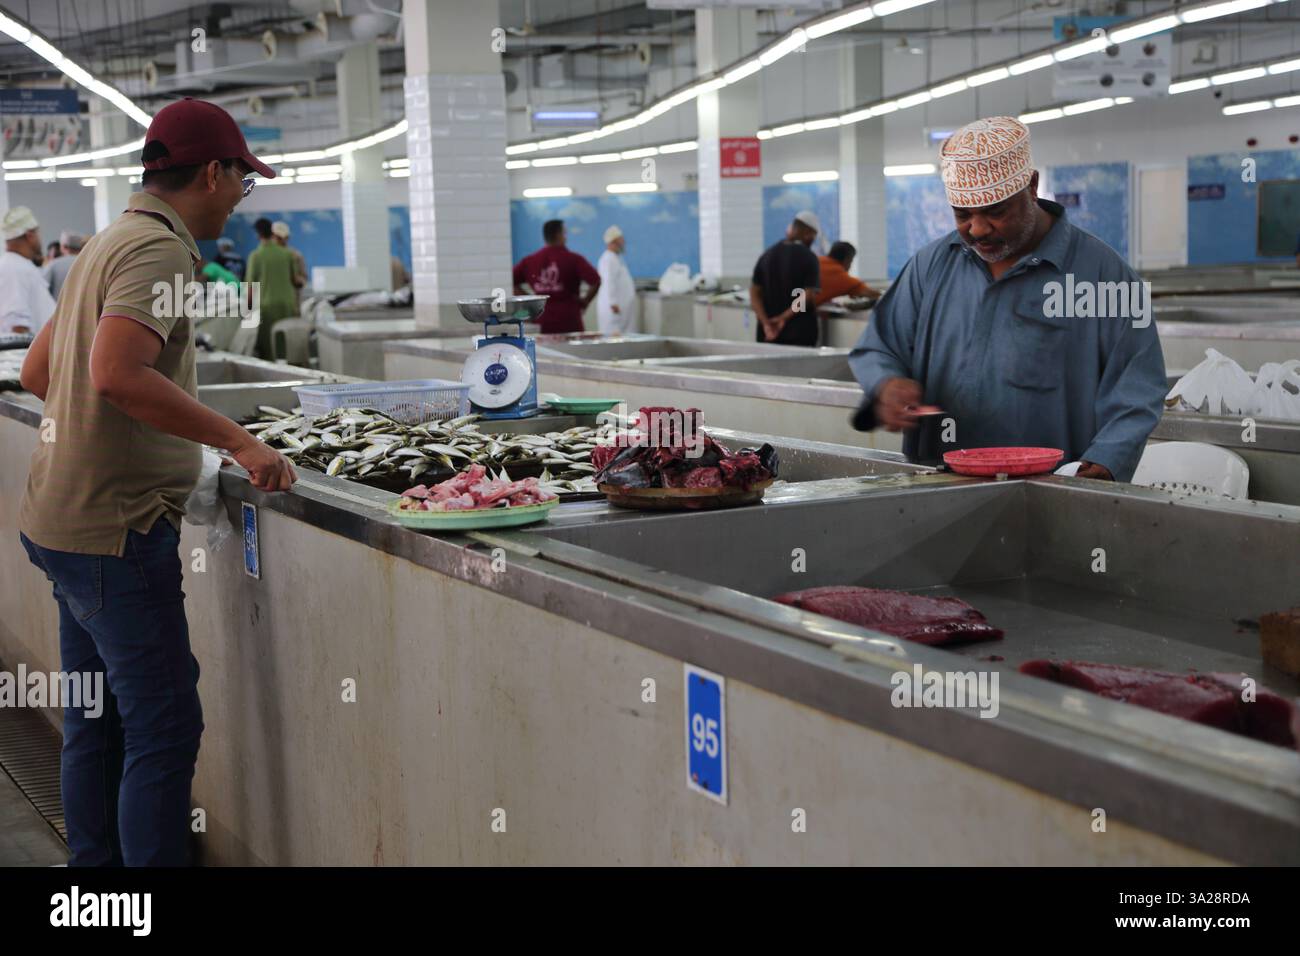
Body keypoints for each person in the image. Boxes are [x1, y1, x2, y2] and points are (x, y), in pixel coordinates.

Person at [17, 97, 296, 867]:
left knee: (95, 722)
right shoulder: (160, 250)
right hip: (117, 532)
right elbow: (115, 373)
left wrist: (113, 435)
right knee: (165, 728)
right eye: (243, 181)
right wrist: (239, 441)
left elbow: (45, 372)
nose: (242, 200)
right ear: (212, 172)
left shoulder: (106, 242)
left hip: (60, 521)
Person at [849, 116, 1166, 482]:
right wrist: (887, 384)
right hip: (938, 483)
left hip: (1049, 490)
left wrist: (1107, 460)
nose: (978, 229)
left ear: (1031, 186)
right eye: (963, 214)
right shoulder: (930, 266)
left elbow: (1138, 386)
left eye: (996, 211)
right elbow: (878, 347)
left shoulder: (1103, 275)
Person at [512, 219, 600, 335]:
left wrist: (530, 302)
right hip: (569, 321)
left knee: (546, 353)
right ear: (559, 235)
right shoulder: (573, 259)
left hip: (542, 320)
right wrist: (585, 302)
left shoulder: (530, 261)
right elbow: (596, 280)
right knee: (571, 353)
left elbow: (511, 280)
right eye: (565, 233)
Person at [750, 210, 822, 346]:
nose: (813, 239)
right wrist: (783, 318)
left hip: (767, 334)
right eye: (814, 235)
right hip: (799, 334)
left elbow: (754, 293)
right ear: (808, 233)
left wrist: (765, 322)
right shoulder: (809, 257)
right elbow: (807, 295)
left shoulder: (766, 255)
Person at [245, 217, 298, 359]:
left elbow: (250, 287)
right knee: (286, 348)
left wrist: (247, 311)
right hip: (287, 306)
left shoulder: (256, 256)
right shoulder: (287, 254)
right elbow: (295, 280)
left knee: (269, 351)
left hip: (267, 308)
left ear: (258, 235)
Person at [0, 206, 57, 336]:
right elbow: (17, 327)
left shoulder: (20, 264)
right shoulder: (13, 268)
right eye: (38, 233)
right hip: (25, 354)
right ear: (30, 236)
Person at [595, 225, 636, 336]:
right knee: (613, 341)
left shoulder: (615, 258)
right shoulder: (608, 259)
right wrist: (613, 303)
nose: (623, 242)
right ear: (614, 241)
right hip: (613, 310)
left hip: (621, 310)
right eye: (621, 239)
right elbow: (608, 282)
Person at [815, 241, 882, 307]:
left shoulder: (816, 260)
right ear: (847, 260)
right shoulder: (842, 278)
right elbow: (874, 294)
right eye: (851, 261)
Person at [271, 220, 307, 308]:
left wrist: (298, 281)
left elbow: (303, 279)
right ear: (271, 236)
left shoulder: (296, 256)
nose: (281, 240)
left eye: (283, 237)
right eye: (277, 237)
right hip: (269, 304)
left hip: (291, 303)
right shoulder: (262, 257)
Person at [44, 231, 87, 301]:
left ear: (63, 246)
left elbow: (43, 290)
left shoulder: (53, 265)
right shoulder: (90, 263)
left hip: (59, 310)